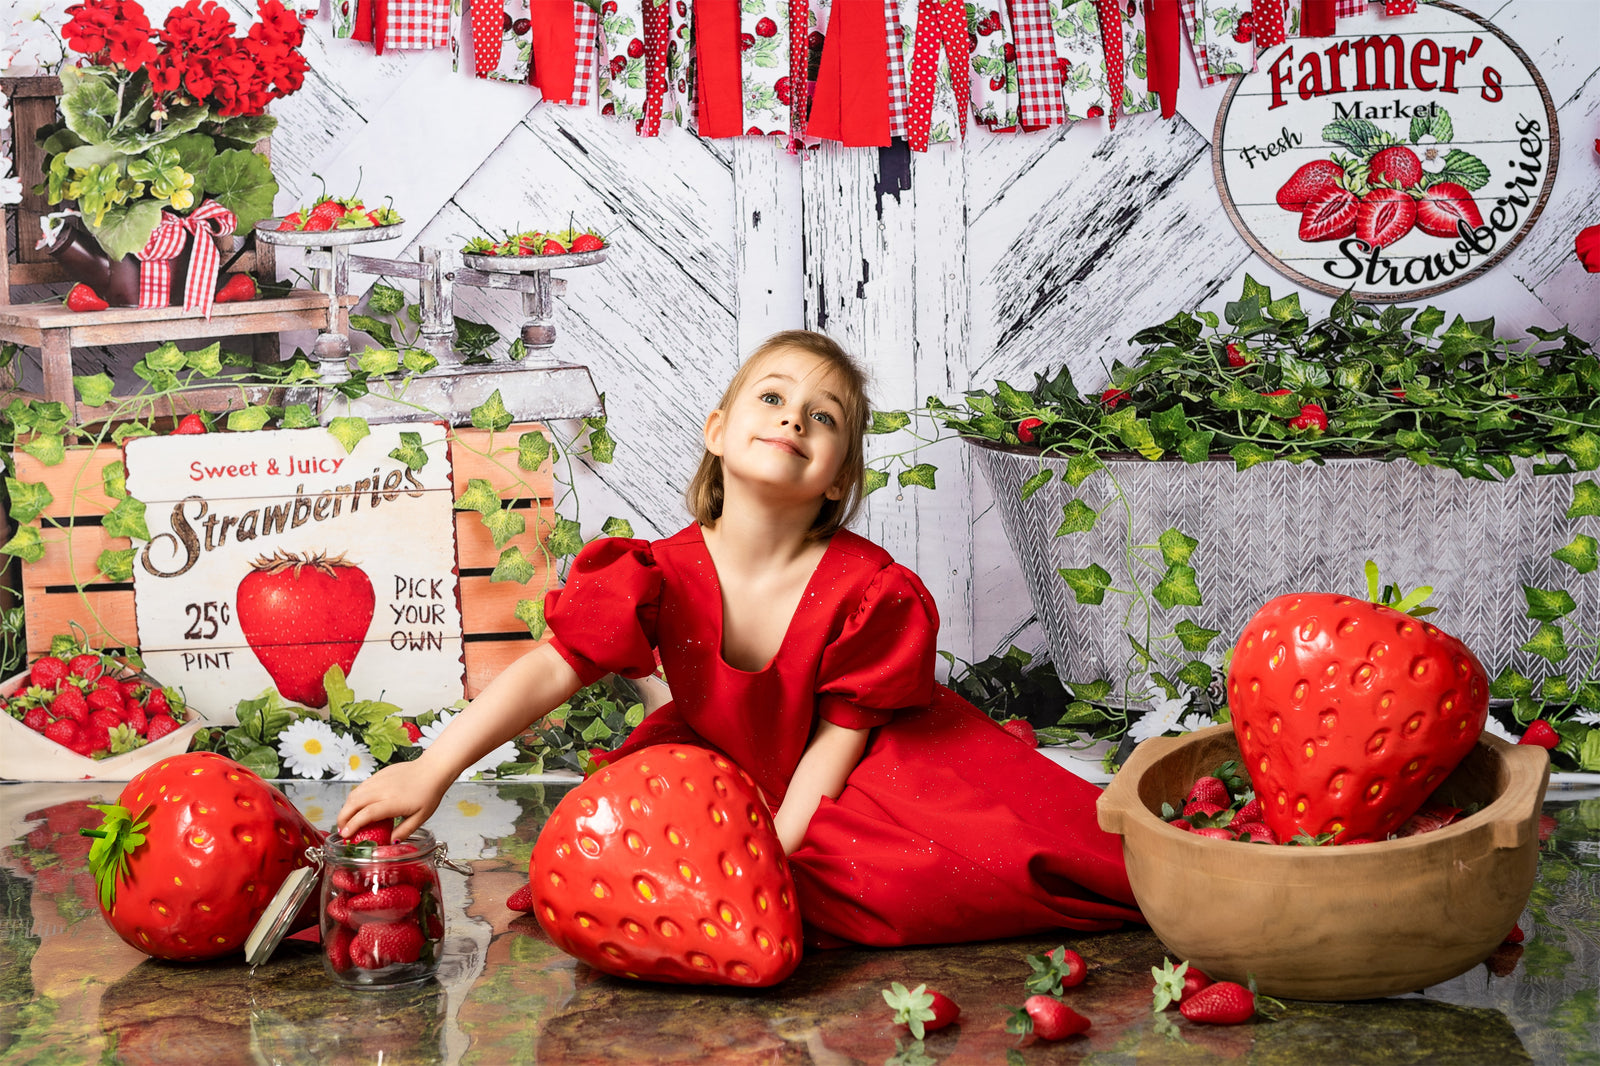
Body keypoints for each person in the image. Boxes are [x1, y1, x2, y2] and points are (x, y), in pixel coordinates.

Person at [339, 330, 1141, 946]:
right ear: (718, 430)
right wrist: (431, 768)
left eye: (822, 418)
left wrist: (774, 859)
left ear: (836, 478)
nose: (793, 416)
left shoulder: (871, 591)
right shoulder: (653, 573)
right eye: (772, 398)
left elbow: (836, 746)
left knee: (959, 868)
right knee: (611, 858)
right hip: (727, 763)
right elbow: (549, 671)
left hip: (872, 766)